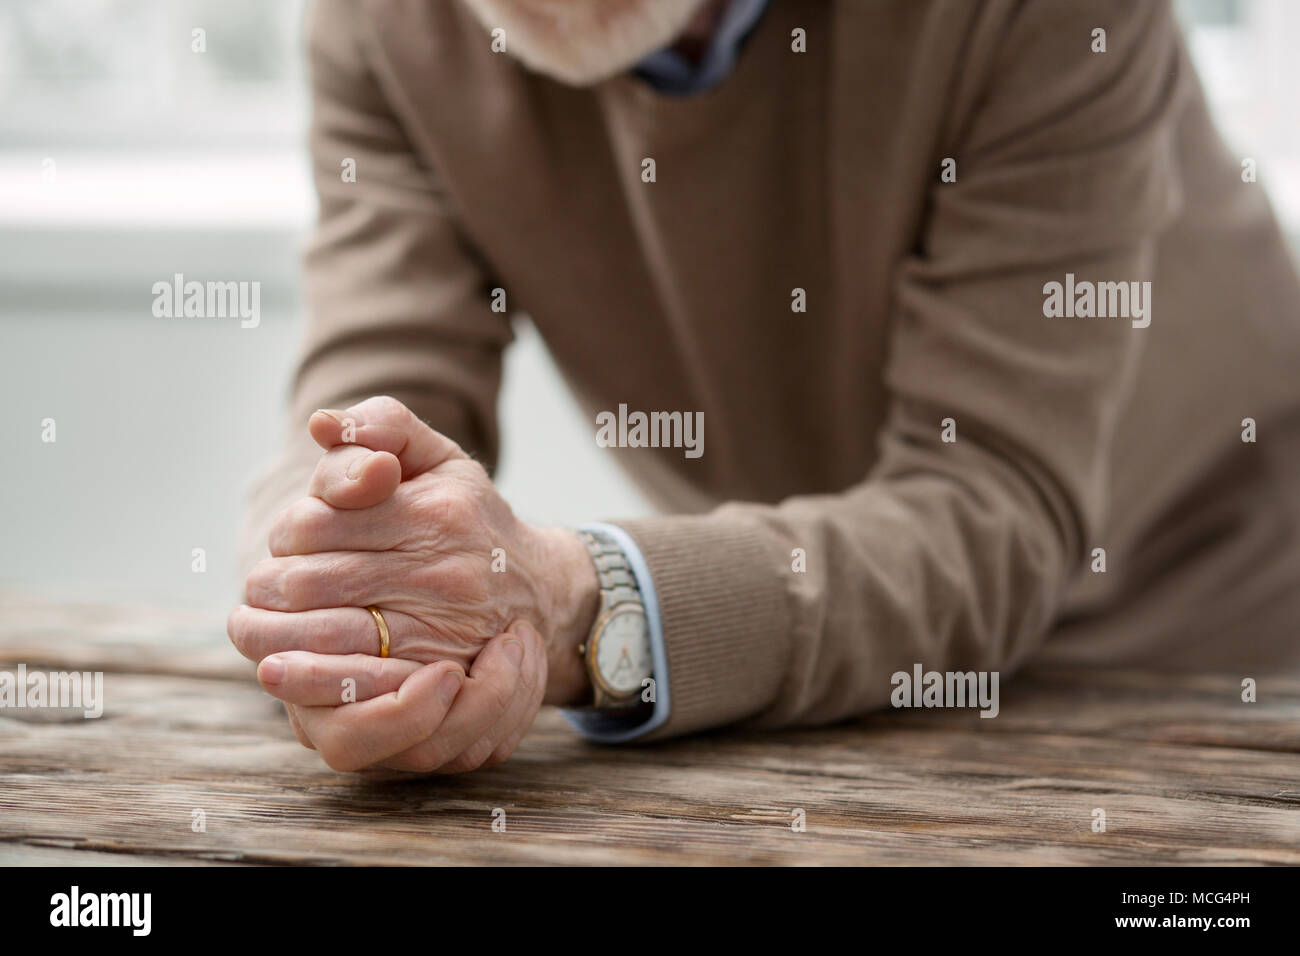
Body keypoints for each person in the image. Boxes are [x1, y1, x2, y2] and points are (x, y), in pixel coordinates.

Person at [227, 0, 1300, 774]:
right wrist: (338, 597)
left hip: (1207, 655)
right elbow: (377, 385)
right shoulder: (377, 22)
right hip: (810, 674)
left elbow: (992, 508)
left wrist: (576, 604)